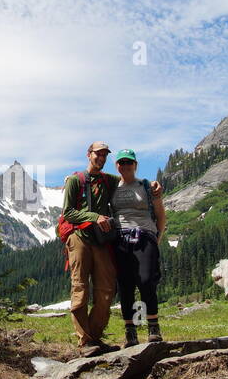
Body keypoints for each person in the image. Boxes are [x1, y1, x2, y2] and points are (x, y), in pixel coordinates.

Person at [59, 142, 161, 356]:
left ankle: (95, 337)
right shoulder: (76, 181)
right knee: (80, 288)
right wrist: (94, 217)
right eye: (98, 154)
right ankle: (85, 341)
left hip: (101, 240)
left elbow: (130, 180)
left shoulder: (109, 180)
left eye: (105, 155)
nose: (101, 158)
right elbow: (68, 212)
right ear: (89, 155)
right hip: (79, 236)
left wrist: (153, 185)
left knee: (107, 289)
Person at [111, 149, 166, 347]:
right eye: (121, 162)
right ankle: (131, 332)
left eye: (129, 162)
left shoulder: (146, 186)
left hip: (145, 235)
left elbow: (160, 214)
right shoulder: (112, 186)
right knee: (125, 285)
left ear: (135, 165)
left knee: (146, 280)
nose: (125, 165)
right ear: (116, 165)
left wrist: (156, 238)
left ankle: (153, 327)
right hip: (120, 239)